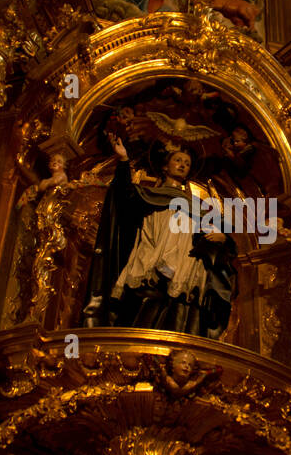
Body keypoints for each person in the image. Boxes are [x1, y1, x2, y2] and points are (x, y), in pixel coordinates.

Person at [81, 135, 237, 338]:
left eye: (187, 163)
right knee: (144, 309)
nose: (182, 165)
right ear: (165, 166)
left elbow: (221, 237)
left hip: (187, 267)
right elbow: (122, 195)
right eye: (178, 160)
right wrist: (123, 160)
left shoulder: (199, 207)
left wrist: (223, 239)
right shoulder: (148, 195)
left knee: (178, 317)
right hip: (152, 261)